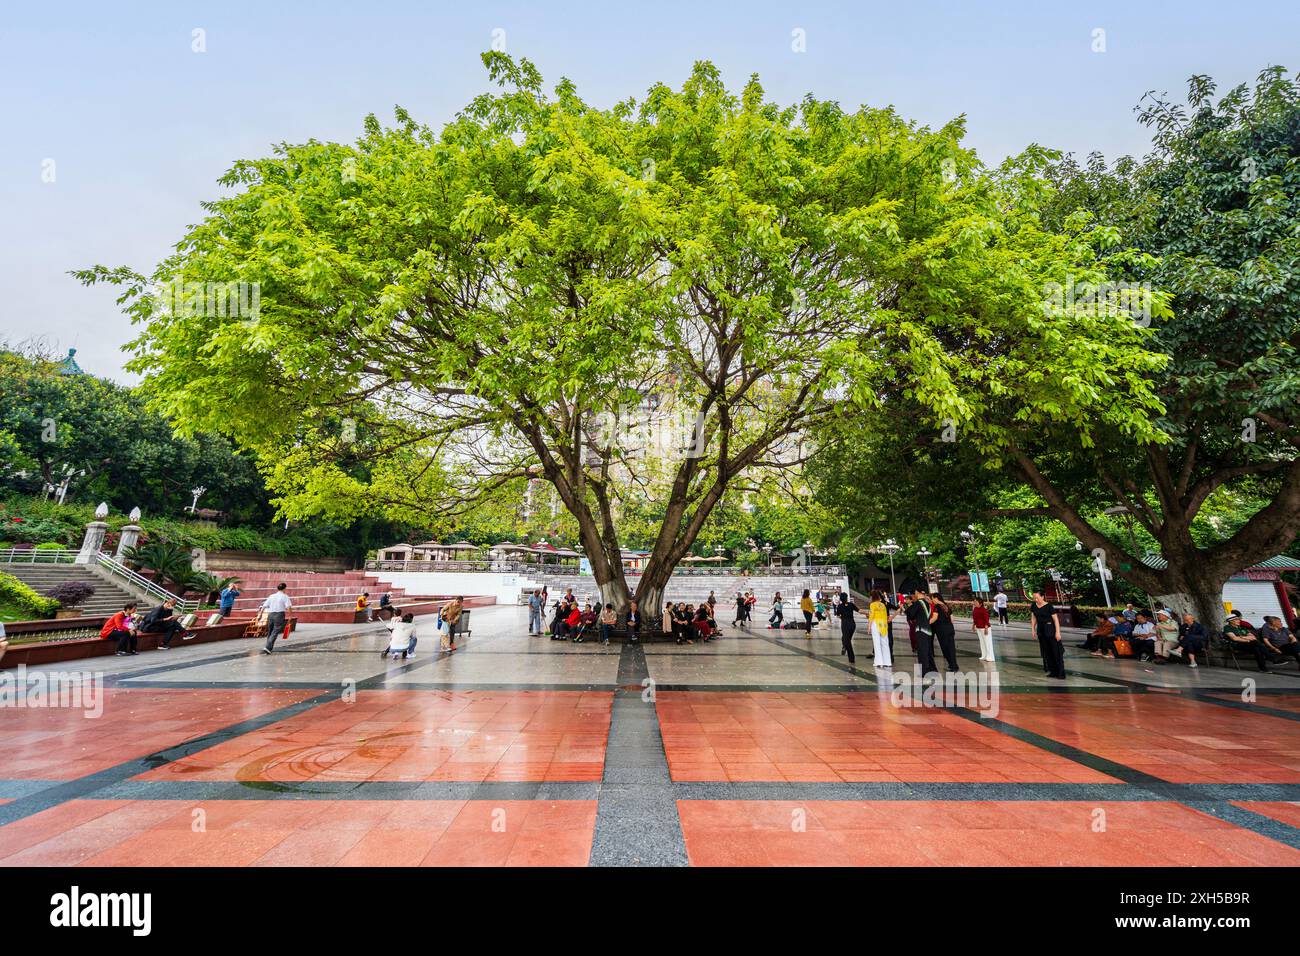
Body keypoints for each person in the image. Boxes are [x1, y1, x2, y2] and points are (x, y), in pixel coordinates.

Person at [1030, 591, 1065, 679]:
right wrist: (1033, 629)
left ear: (1042, 597)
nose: (1035, 599)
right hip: (1041, 631)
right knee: (1047, 652)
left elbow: (1056, 620)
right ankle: (1052, 671)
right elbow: (1034, 617)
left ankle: (1060, 673)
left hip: (1050, 630)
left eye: (1037, 597)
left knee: (1056, 652)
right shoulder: (1034, 606)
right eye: (1034, 598)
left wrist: (1057, 632)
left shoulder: (1049, 606)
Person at [906, 590, 937, 675]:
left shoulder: (918, 603)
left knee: (922, 651)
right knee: (928, 651)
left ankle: (925, 672)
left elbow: (911, 615)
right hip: (928, 630)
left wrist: (907, 608)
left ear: (918, 593)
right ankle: (932, 669)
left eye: (915, 592)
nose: (914, 594)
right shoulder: (927, 603)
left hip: (921, 629)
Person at [260, 584, 292, 654]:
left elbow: (264, 606)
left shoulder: (271, 596)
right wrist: (290, 616)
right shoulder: (285, 596)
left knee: (270, 631)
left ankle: (269, 648)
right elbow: (288, 607)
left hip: (271, 615)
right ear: (284, 589)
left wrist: (260, 614)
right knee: (275, 631)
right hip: (279, 615)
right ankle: (268, 647)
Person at [931, 595, 959, 672]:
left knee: (945, 649)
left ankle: (952, 666)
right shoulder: (946, 606)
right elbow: (952, 619)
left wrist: (927, 623)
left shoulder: (936, 606)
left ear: (936, 598)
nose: (932, 600)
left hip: (942, 630)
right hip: (950, 628)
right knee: (951, 648)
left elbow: (935, 617)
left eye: (933, 598)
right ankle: (954, 665)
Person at [834, 592, 859, 665]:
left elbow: (838, 615)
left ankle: (851, 658)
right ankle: (844, 646)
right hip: (852, 624)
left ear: (841, 599)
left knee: (847, 641)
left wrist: (842, 617)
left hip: (845, 624)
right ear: (846, 598)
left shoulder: (840, 606)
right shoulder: (851, 604)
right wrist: (868, 613)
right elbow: (859, 611)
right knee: (846, 639)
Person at [868, 590, 892, 667]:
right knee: (885, 643)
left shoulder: (873, 605)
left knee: (877, 643)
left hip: (876, 624)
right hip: (884, 625)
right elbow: (886, 616)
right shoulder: (883, 605)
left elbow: (871, 616)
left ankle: (879, 662)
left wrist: (869, 626)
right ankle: (887, 662)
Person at [971, 597, 994, 662]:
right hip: (978, 628)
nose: (974, 603)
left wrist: (986, 628)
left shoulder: (983, 610)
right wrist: (973, 626)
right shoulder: (975, 609)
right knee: (982, 642)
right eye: (974, 601)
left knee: (987, 643)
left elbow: (986, 619)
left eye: (976, 602)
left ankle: (990, 657)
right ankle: (984, 656)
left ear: (980, 603)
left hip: (985, 628)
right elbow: (974, 618)